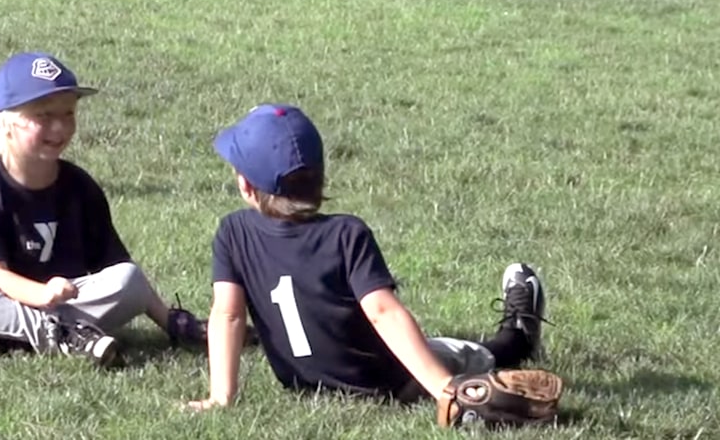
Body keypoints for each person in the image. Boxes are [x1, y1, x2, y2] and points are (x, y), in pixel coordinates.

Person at [187, 105, 547, 410]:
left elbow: (228, 314)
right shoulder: (345, 234)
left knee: (426, 346)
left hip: (303, 383)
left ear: (246, 185)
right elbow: (383, 313)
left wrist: (221, 396)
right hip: (386, 384)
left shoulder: (232, 232)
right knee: (462, 353)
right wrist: (444, 391)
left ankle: (506, 340)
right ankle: (517, 338)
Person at [0, 52, 206, 367]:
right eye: (43, 116)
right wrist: (41, 295)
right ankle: (67, 336)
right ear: (2, 123)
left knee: (127, 279)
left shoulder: (80, 186)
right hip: (10, 297)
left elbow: (124, 274)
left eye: (68, 113)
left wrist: (172, 322)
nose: (59, 127)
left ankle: (5, 339)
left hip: (71, 299)